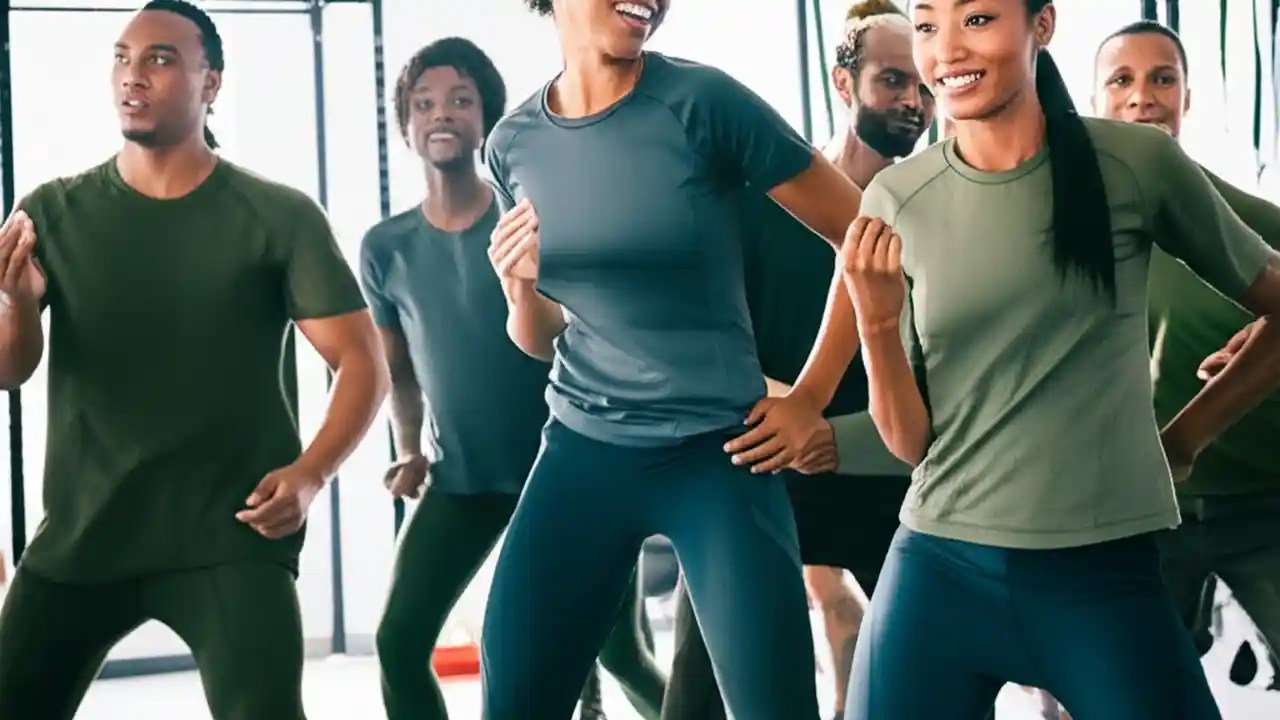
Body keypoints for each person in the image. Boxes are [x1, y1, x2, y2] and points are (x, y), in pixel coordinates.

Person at [838, 0, 1280, 717]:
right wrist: (878, 323)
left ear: (1041, 25)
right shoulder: (898, 197)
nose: (946, 50)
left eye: (976, 19)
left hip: (1103, 574)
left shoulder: (1136, 164)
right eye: (926, 26)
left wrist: (1184, 440)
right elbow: (911, 443)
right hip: (938, 568)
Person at [480, 0, 869, 716]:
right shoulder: (511, 145)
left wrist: (809, 396)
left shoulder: (703, 103)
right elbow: (541, 335)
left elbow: (863, 233)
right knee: (514, 699)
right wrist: (519, 292)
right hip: (582, 451)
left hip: (720, 455)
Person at [0, 2, 389, 718]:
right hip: (86, 534)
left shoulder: (278, 216)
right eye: (122, 58)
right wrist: (18, 305)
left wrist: (311, 474)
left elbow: (363, 363)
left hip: (230, 538)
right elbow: (8, 370)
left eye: (160, 59)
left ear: (211, 83)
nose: (133, 76)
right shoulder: (50, 212)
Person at [361, 37, 665, 720]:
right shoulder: (385, 248)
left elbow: (588, 333)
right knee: (398, 642)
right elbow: (399, 372)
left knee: (622, 653)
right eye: (424, 104)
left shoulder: (526, 223)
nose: (441, 114)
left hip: (568, 474)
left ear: (486, 118)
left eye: (460, 100)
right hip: (461, 481)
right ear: (406, 124)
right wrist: (409, 450)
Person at [660, 2, 927, 719]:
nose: (912, 101)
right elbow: (709, 336)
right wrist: (787, 408)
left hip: (884, 477)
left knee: (938, 680)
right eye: (893, 80)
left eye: (923, 86)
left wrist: (839, 433)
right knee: (697, 688)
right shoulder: (761, 199)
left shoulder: (934, 212)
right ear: (844, 83)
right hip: (761, 465)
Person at [1092, 18, 1280, 689]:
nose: (1142, 95)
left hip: (1261, 502)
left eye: (1162, 79)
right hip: (1138, 512)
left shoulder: (1236, 214)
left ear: (1186, 99)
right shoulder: (1063, 227)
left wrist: (1257, 336)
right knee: (1120, 684)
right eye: (1122, 79)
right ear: (1096, 100)